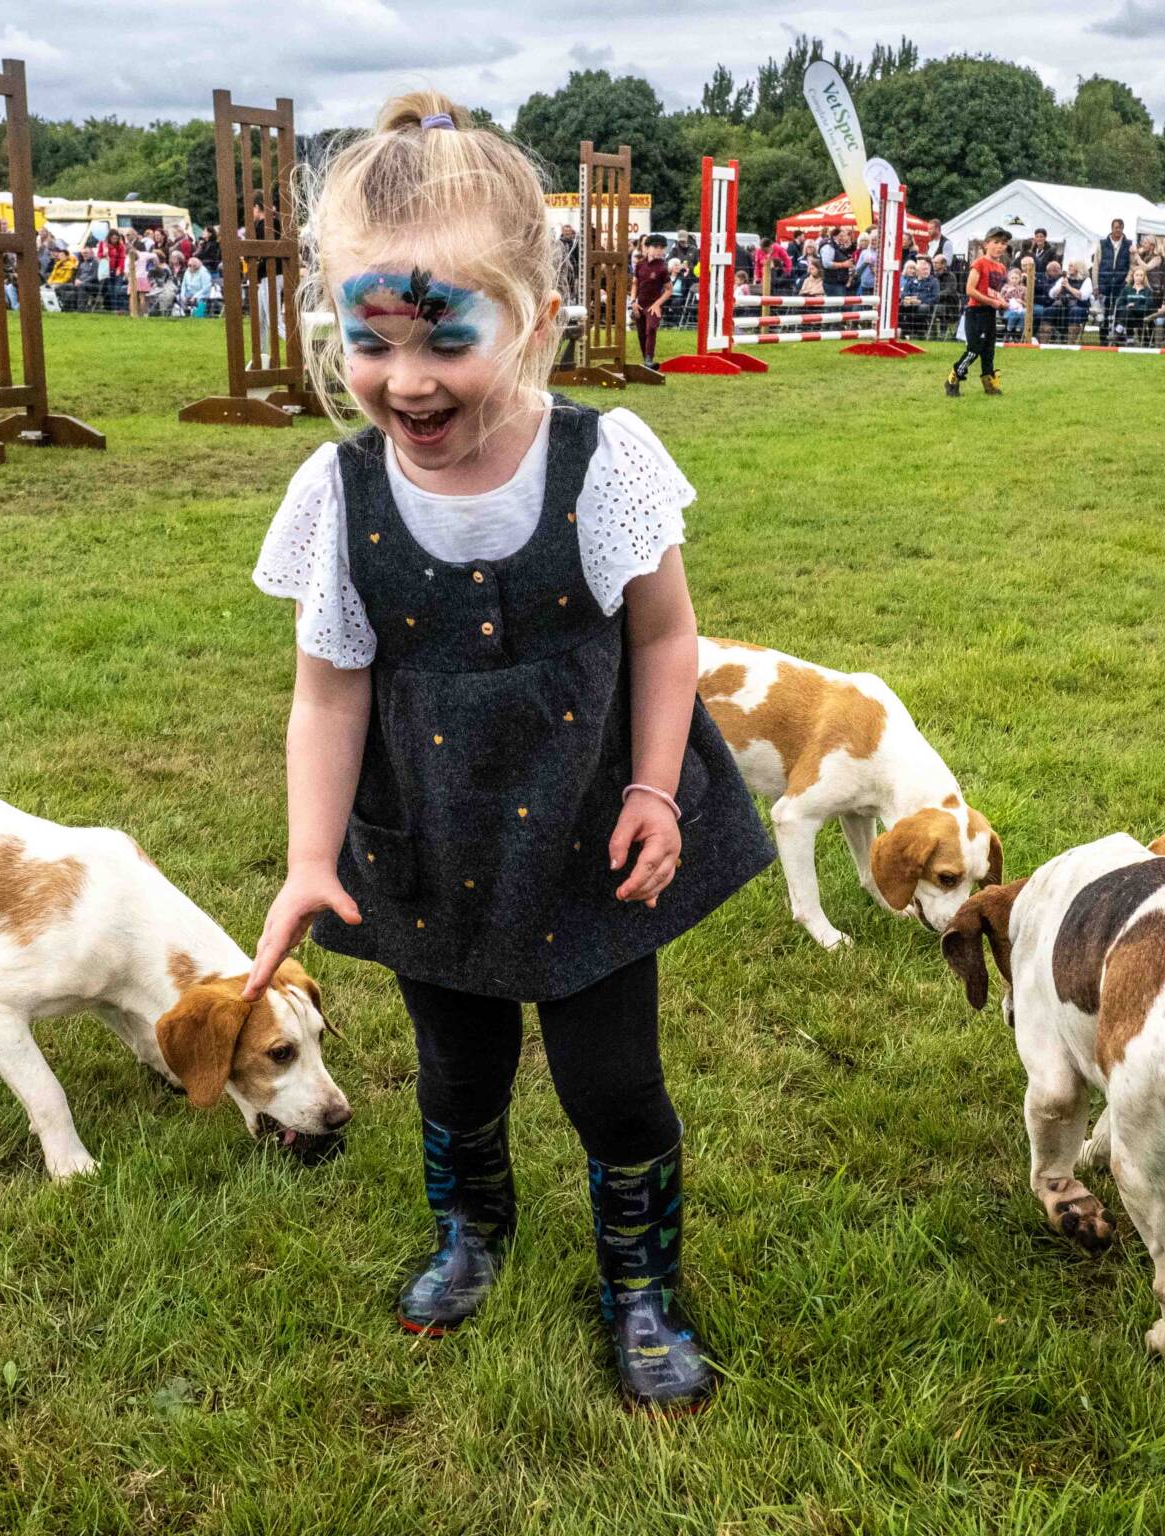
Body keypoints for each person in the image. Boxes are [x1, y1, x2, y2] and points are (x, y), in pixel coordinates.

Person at [246, 90, 773, 1415]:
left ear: (539, 322)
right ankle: (471, 1229)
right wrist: (313, 854)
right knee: (455, 1067)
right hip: (428, 843)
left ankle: (641, 1282)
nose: (405, 379)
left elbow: (664, 641)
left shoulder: (606, 465)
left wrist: (657, 784)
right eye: (370, 339)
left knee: (615, 1082)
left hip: (593, 837)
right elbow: (327, 692)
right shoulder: (338, 492)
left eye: (444, 336)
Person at [945, 225, 1009, 396]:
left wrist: (1001, 301)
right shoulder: (979, 264)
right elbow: (970, 290)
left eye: (1003, 243)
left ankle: (990, 384)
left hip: (989, 313)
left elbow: (992, 289)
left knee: (989, 350)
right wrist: (992, 302)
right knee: (974, 350)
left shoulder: (1001, 268)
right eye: (996, 242)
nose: (1000, 246)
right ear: (986, 244)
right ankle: (954, 377)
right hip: (976, 312)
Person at [629, 232, 671, 369]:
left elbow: (669, 290)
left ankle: (648, 359)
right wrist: (633, 301)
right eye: (656, 247)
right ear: (647, 248)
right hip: (639, 304)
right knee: (641, 332)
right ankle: (646, 360)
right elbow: (635, 283)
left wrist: (658, 304)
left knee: (651, 328)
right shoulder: (640, 265)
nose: (659, 250)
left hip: (654, 305)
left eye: (662, 247)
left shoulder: (662, 268)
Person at [1095, 217, 1133, 336]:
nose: (1118, 230)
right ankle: (1103, 337)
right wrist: (1095, 284)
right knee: (1104, 312)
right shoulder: (1102, 244)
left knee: (1119, 309)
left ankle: (1117, 337)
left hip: (1120, 283)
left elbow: (1132, 265)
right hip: (1104, 282)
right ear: (1112, 228)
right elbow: (1096, 264)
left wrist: (1127, 280)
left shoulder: (1129, 244)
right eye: (1116, 227)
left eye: (1120, 228)